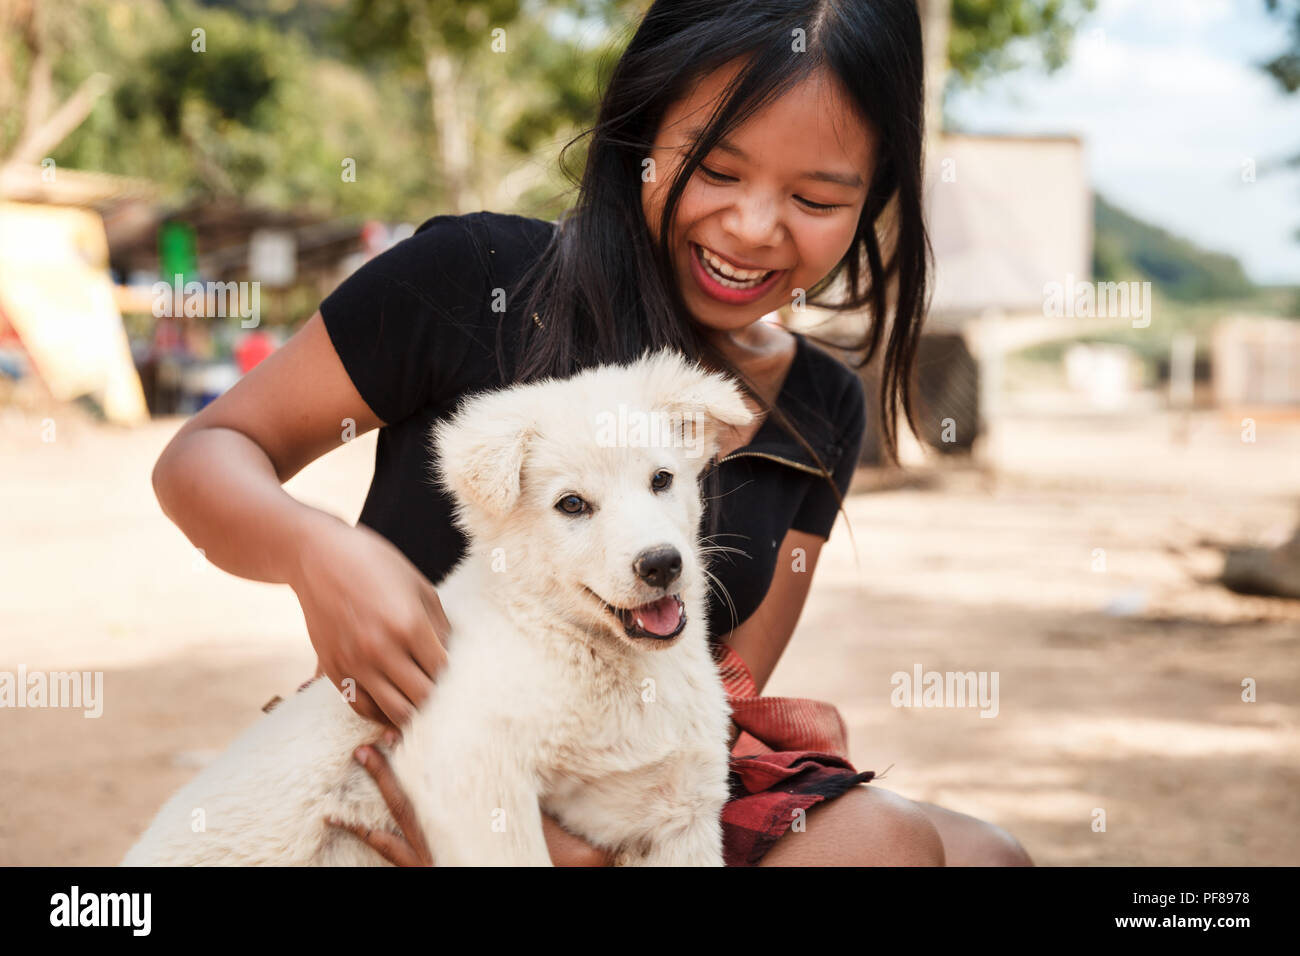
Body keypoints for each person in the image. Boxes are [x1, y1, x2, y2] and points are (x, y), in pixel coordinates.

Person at [151, 0, 1031, 866]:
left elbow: (713, 693)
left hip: (604, 791)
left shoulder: (819, 406)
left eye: (814, 196)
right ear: (642, 132)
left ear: (873, 198)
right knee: (883, 845)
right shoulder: (478, 280)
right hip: (407, 778)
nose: (755, 228)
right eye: (717, 172)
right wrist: (315, 553)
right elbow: (206, 455)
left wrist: (581, 857)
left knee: (987, 856)